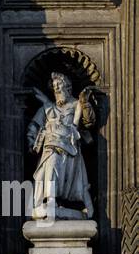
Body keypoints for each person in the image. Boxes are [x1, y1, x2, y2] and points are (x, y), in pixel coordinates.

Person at [28, 72, 95, 219]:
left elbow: (88, 122)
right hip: (50, 147)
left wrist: (85, 103)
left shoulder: (76, 104)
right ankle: (48, 201)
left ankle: (54, 200)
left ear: (68, 86)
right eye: (54, 87)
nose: (57, 89)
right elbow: (34, 125)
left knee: (61, 171)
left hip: (69, 149)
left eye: (59, 85)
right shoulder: (48, 107)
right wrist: (31, 140)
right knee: (43, 173)